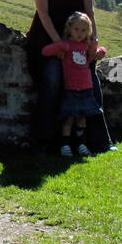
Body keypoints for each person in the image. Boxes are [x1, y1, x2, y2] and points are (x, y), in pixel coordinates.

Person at [25, 0, 116, 153]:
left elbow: (89, 12)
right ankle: (45, 141)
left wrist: (93, 40)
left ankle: (100, 141)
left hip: (77, 43)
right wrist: (59, 45)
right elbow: (43, 13)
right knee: (53, 79)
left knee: (92, 83)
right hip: (47, 43)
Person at [42, 12, 107, 157]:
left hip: (86, 89)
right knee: (69, 118)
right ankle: (65, 146)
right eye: (76, 29)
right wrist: (59, 47)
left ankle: (81, 145)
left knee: (82, 119)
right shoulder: (67, 45)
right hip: (71, 89)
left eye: (84, 30)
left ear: (88, 31)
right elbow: (45, 51)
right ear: (70, 28)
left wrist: (101, 51)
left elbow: (99, 50)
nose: (79, 33)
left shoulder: (86, 46)